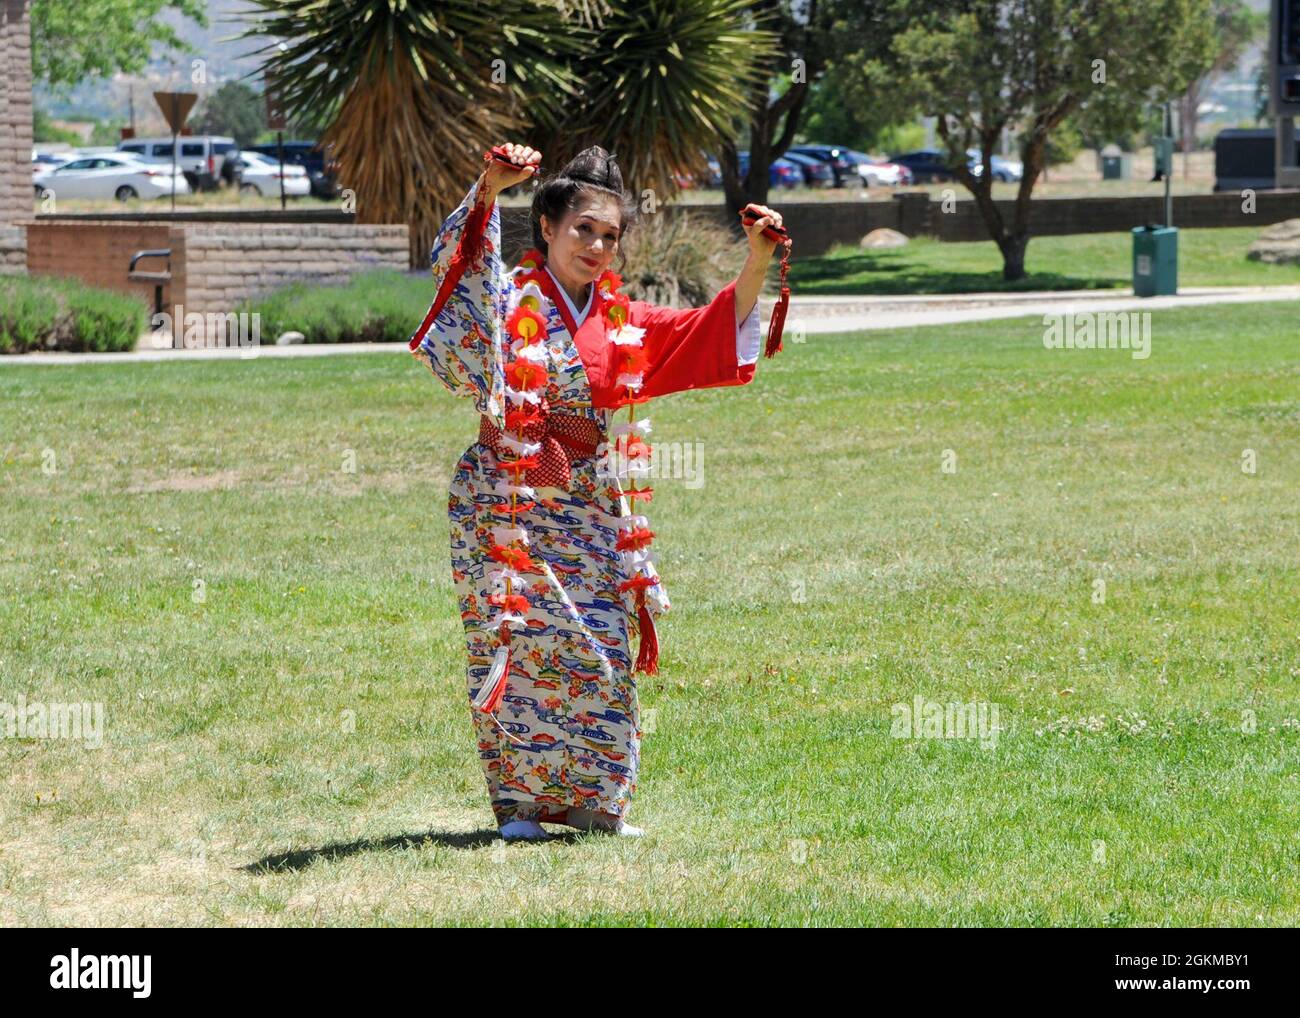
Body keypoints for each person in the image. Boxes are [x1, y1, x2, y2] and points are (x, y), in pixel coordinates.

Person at [410, 141, 786, 841]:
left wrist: (757, 258)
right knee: (518, 644)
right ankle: (519, 806)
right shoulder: (504, 302)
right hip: (505, 497)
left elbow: (708, 330)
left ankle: (594, 803)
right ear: (547, 226)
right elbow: (458, 269)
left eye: (611, 235)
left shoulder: (622, 323)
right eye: (584, 229)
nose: (597, 245)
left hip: (586, 502)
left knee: (602, 646)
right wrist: (490, 186)